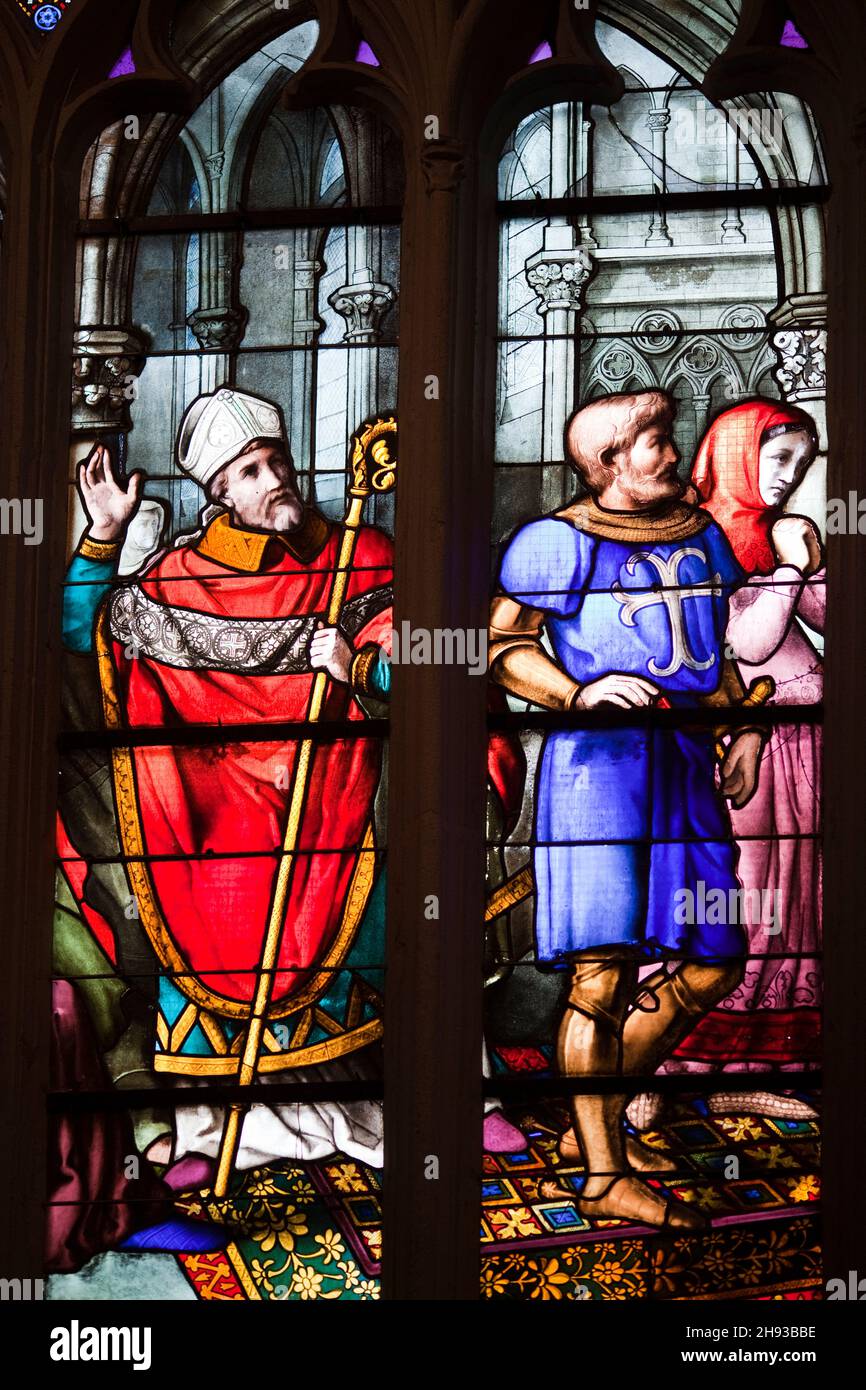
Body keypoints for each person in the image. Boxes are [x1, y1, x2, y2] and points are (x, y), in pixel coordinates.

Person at [62, 386, 394, 1177]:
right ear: (220, 492)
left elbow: (409, 650)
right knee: (198, 869)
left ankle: (395, 1105)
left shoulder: (362, 552)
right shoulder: (177, 575)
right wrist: (103, 536)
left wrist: (362, 668)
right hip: (212, 802)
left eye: (275, 459)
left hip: (334, 785)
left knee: (376, 854)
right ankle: (214, 1129)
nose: (273, 476)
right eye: (250, 469)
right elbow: (83, 633)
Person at [488, 389, 763, 1228]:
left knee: (716, 956)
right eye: (655, 445)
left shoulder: (704, 538)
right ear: (608, 465)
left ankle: (592, 1118)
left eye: (669, 441)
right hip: (599, 776)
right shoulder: (558, 543)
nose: (674, 455)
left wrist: (743, 728)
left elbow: (708, 657)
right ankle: (603, 1173)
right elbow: (502, 645)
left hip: (684, 767)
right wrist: (578, 691)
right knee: (602, 974)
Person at [635, 400, 823, 1123]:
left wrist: (813, 562)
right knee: (715, 897)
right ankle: (651, 1064)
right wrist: (787, 570)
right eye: (780, 459)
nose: (790, 476)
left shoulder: (778, 537)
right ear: (738, 452)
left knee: (786, 904)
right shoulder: (694, 537)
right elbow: (745, 644)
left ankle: (739, 1066)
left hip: (800, 751)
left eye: (803, 463)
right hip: (726, 751)